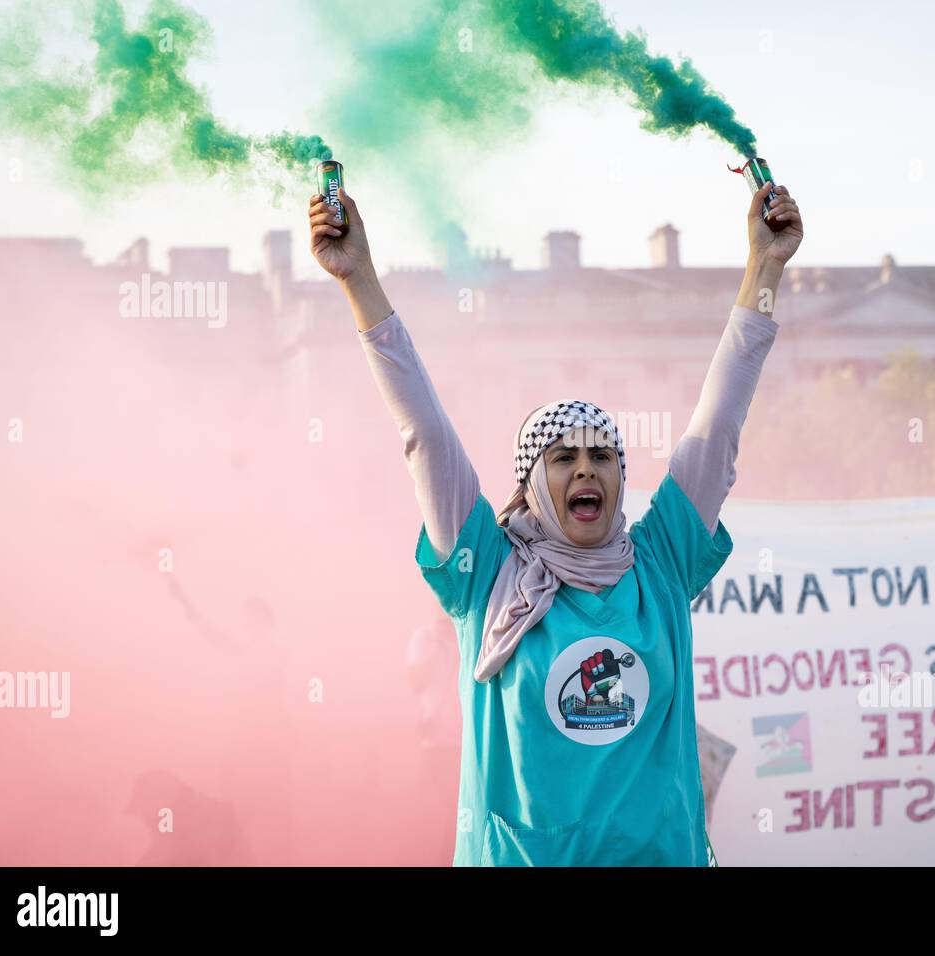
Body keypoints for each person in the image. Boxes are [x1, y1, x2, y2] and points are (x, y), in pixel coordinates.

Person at [307, 174, 803, 865]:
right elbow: (425, 433)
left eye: (603, 456)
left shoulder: (660, 563)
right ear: (534, 482)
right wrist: (357, 278)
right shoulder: (489, 573)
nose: (586, 470)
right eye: (563, 457)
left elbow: (717, 428)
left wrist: (765, 267)